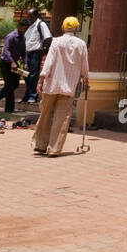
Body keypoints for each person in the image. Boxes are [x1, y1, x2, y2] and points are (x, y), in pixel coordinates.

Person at [32, 16, 89, 158]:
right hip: (68, 86)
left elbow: (49, 62)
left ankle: (40, 144)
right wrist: (86, 79)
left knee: (45, 114)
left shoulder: (56, 42)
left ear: (63, 28)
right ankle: (54, 149)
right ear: (76, 28)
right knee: (61, 119)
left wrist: (40, 80)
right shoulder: (81, 44)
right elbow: (84, 65)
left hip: (52, 84)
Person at [0, 19, 28, 113]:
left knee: (15, 85)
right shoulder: (10, 36)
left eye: (26, 29)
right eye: (23, 28)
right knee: (10, 86)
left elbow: (24, 52)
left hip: (15, 64)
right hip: (6, 64)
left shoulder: (23, 38)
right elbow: (6, 50)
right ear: (18, 27)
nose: (24, 30)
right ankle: (9, 109)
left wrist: (25, 63)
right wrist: (11, 62)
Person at [22, 8, 52, 104]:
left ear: (36, 16)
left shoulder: (41, 24)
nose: (29, 18)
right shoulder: (30, 26)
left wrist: (43, 50)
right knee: (25, 75)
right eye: (28, 16)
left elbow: (48, 38)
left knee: (33, 76)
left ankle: (33, 96)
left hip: (35, 53)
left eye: (30, 16)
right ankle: (27, 95)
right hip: (26, 54)